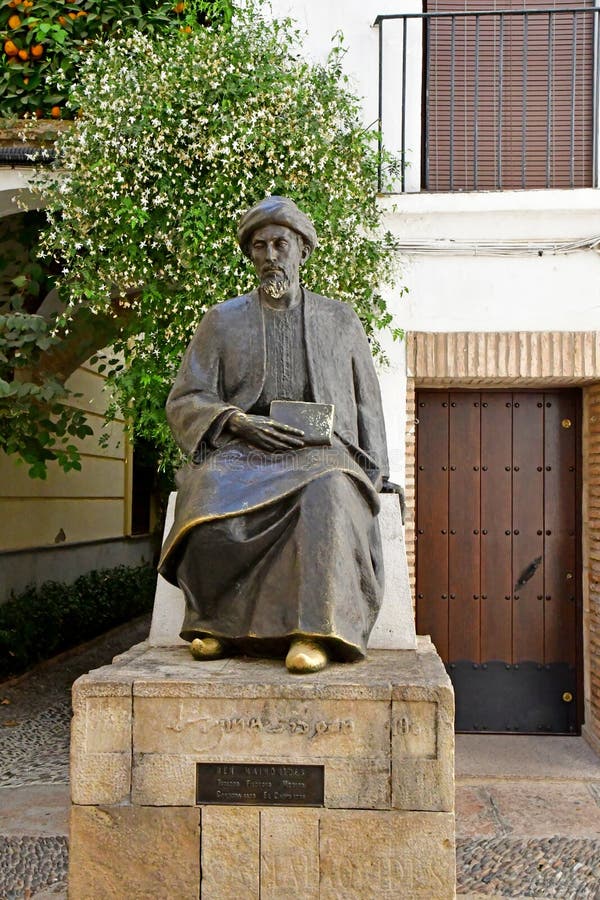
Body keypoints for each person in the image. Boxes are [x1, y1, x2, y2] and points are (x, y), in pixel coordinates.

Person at [158, 196, 390, 673]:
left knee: (326, 492)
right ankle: (217, 625)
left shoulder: (339, 320)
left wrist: (378, 472)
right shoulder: (221, 320)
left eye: (280, 244)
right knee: (207, 490)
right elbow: (186, 398)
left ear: (302, 251)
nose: (269, 255)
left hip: (322, 450)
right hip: (244, 448)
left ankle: (313, 632)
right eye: (259, 246)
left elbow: (368, 402)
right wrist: (238, 422)